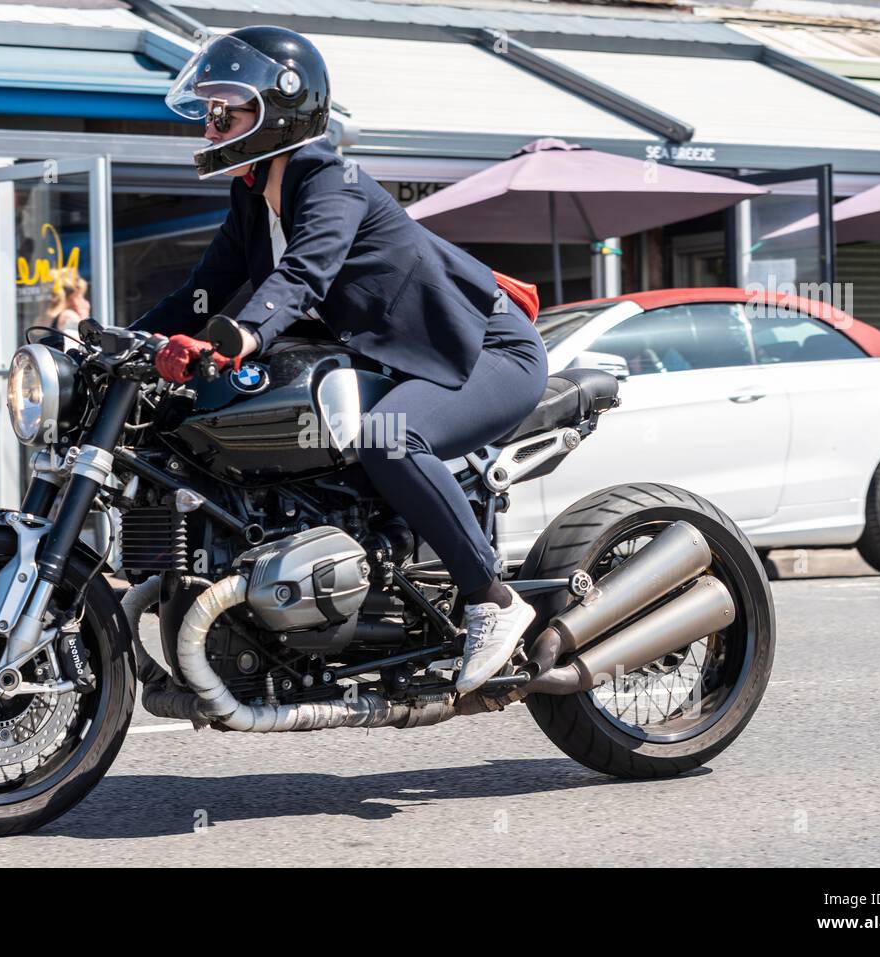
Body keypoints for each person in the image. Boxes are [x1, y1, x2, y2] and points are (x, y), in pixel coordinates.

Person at [130, 27, 549, 694]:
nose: (210, 127)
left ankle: (491, 599)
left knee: (392, 437)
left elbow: (302, 276)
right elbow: (199, 291)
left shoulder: (329, 178)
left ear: (278, 109)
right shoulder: (252, 197)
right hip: (408, 363)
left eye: (225, 111)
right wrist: (126, 345)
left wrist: (242, 333)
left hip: (484, 350)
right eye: (208, 112)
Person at [44, 273, 90, 340]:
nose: (86, 303)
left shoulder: (48, 316)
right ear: (69, 297)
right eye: (79, 297)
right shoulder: (69, 316)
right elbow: (80, 346)